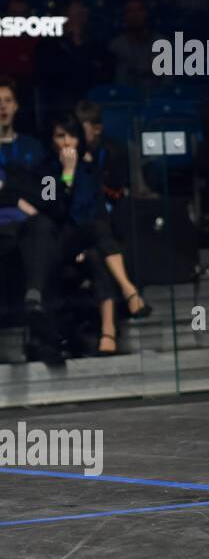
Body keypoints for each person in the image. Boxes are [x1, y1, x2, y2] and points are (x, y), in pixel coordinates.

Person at [45, 113, 150, 356]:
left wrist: (78, 170)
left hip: (90, 241)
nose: (68, 142)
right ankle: (129, 290)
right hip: (62, 242)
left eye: (72, 136)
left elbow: (97, 210)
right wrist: (67, 173)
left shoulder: (90, 169)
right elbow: (56, 212)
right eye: (61, 136)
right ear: (52, 141)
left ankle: (108, 333)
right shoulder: (47, 171)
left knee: (95, 253)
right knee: (96, 230)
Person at [0, 77, 63, 362]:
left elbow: (49, 192)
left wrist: (10, 190)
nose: (2, 107)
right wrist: (18, 196)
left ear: (16, 107)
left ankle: (34, 300)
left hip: (29, 226)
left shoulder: (33, 148)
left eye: (7, 101)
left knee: (42, 229)